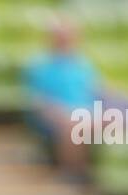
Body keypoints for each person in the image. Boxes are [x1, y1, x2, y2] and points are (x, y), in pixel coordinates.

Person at [25, 17, 102, 178]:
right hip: (54, 113)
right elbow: (37, 99)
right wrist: (59, 112)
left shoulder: (83, 63)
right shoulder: (39, 65)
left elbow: (95, 89)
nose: (66, 40)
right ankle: (73, 172)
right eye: (61, 36)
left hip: (85, 111)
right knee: (73, 124)